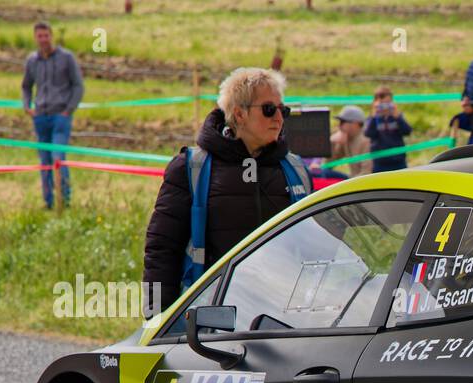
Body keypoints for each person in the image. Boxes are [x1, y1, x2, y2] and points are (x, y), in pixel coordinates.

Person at [142, 67, 312, 317]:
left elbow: (312, 247)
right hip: (211, 319)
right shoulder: (190, 167)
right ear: (239, 114)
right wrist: (156, 317)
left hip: (279, 316)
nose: (279, 118)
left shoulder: (295, 169)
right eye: (268, 109)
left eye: (282, 110)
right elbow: (162, 249)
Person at [20, 21, 83, 210]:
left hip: (60, 117)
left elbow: (78, 85)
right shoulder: (32, 61)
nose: (43, 39)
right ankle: (48, 202)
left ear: (51, 36)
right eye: (39, 36)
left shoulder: (66, 58)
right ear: (35, 38)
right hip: (40, 117)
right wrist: (27, 106)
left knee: (58, 157)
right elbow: (26, 86)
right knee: (44, 160)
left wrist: (68, 110)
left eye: (46, 35)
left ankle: (64, 200)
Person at [364, 86, 413, 172]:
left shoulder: (397, 117)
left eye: (388, 104)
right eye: (382, 105)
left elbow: (407, 131)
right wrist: (374, 116)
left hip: (398, 161)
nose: (385, 107)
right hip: (380, 162)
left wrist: (398, 117)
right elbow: (368, 133)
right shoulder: (373, 119)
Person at [329, 105, 372, 177]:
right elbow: (329, 164)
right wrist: (333, 142)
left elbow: (367, 172)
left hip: (359, 182)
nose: (339, 125)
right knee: (321, 173)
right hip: (352, 179)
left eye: (342, 122)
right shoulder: (346, 138)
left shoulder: (366, 141)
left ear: (355, 124)